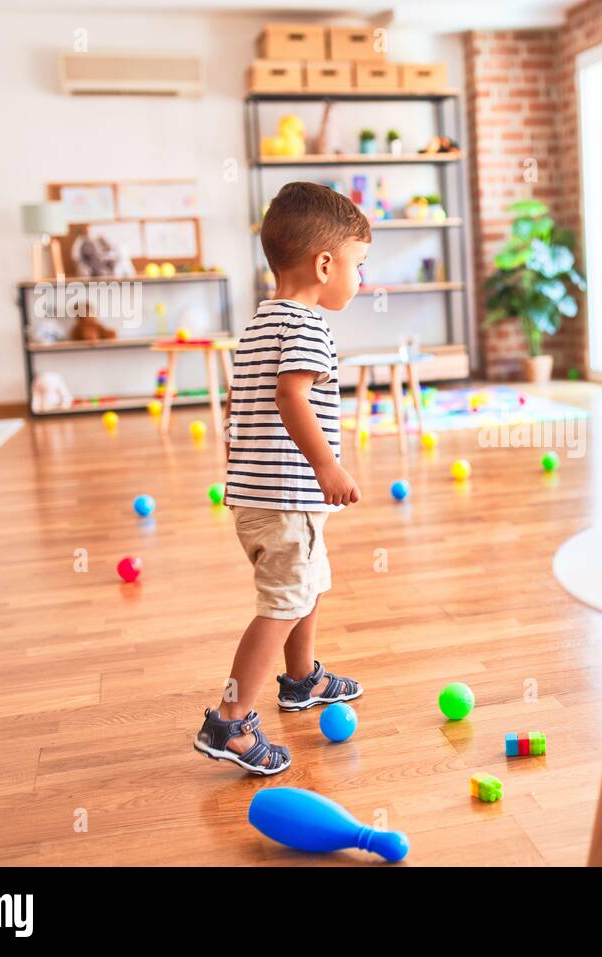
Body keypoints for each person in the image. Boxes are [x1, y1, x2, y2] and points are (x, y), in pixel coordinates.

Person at [194, 183, 369, 775]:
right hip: (288, 496)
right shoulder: (309, 326)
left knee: (307, 585)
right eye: (357, 266)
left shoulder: (260, 322)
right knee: (285, 600)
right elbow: (292, 396)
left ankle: (300, 680)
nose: (360, 280)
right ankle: (231, 720)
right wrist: (327, 465)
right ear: (325, 264)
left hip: (260, 497)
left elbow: (242, 407)